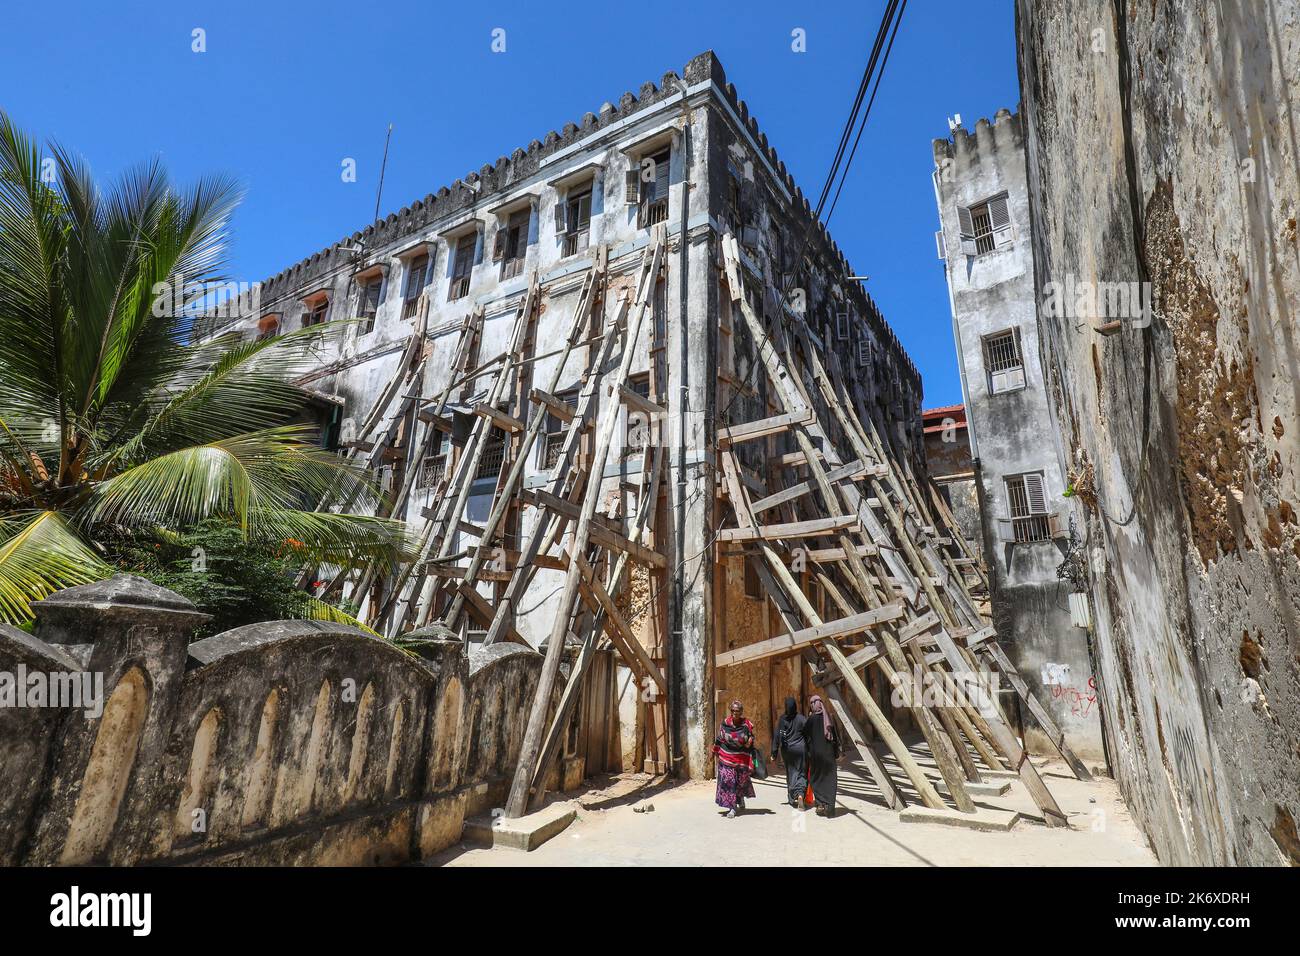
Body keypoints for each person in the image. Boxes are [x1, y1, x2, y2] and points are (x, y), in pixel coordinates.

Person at [712, 699, 756, 818]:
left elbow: (751, 737)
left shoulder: (746, 724)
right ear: (730, 711)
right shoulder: (725, 723)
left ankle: (740, 798)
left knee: (740, 782)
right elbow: (720, 738)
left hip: (741, 758)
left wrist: (750, 741)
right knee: (729, 781)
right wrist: (715, 751)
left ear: (741, 712)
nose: (735, 713)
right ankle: (732, 808)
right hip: (726, 757)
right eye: (733, 711)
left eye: (737, 711)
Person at [802, 694, 842, 816]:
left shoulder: (811, 719)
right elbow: (835, 736)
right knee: (830, 779)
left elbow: (804, 735)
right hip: (829, 755)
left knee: (816, 779)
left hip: (816, 756)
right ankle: (830, 805)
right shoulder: (829, 717)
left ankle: (820, 804)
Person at [770, 696, 808, 808]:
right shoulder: (801, 718)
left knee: (791, 773)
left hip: (787, 751)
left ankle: (792, 798)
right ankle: (800, 794)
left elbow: (777, 736)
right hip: (801, 750)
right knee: (801, 772)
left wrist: (774, 753)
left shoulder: (782, 719)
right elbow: (808, 733)